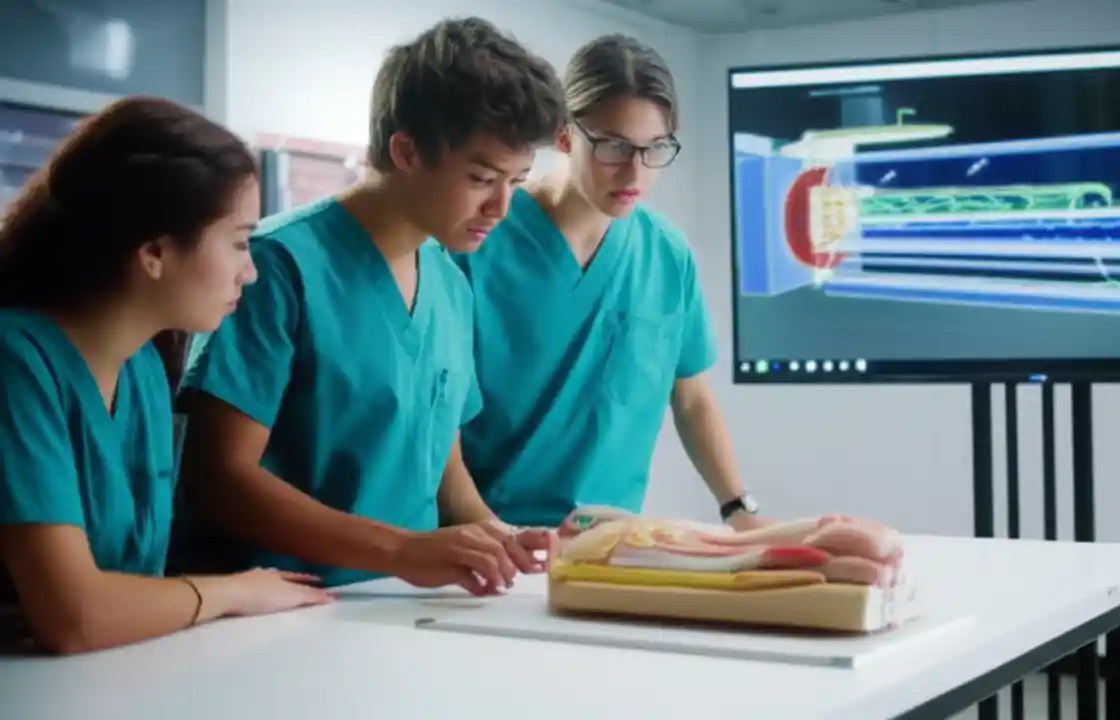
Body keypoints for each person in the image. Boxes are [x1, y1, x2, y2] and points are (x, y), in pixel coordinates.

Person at [176, 17, 566, 594]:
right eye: (482, 177)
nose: (501, 207)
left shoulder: (449, 282)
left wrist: (497, 537)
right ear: (406, 150)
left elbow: (443, 468)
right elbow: (220, 478)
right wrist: (403, 550)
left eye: (517, 181)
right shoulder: (276, 266)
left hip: (400, 604)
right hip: (278, 607)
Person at [0, 96, 332, 655]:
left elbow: (123, 599)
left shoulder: (144, 373)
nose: (249, 272)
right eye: (238, 242)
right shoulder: (18, 363)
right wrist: (231, 592)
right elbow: (76, 616)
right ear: (154, 251)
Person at [450, 35, 769, 532]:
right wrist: (483, 529)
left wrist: (737, 509)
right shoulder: (478, 241)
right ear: (563, 135)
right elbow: (435, 416)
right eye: (614, 147)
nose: (635, 172)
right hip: (487, 541)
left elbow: (691, 397)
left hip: (610, 542)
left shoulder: (666, 253)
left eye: (655, 149)